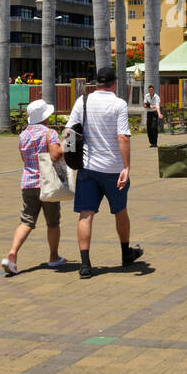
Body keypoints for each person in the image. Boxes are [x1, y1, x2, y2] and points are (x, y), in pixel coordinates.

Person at [65, 66, 142, 279]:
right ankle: (126, 253)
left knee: (86, 214)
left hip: (88, 167)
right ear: (114, 84)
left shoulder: (83, 101)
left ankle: (85, 265)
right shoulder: (118, 104)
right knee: (120, 211)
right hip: (113, 168)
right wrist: (126, 167)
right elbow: (123, 137)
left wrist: (72, 159)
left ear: (96, 83)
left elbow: (69, 130)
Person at [5, 99, 67, 275]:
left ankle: (13, 253)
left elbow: (24, 159)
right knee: (53, 222)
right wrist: (64, 145)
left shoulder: (23, 135)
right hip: (47, 183)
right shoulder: (50, 133)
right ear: (45, 116)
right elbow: (55, 155)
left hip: (28, 182)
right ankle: (54, 257)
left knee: (26, 220)